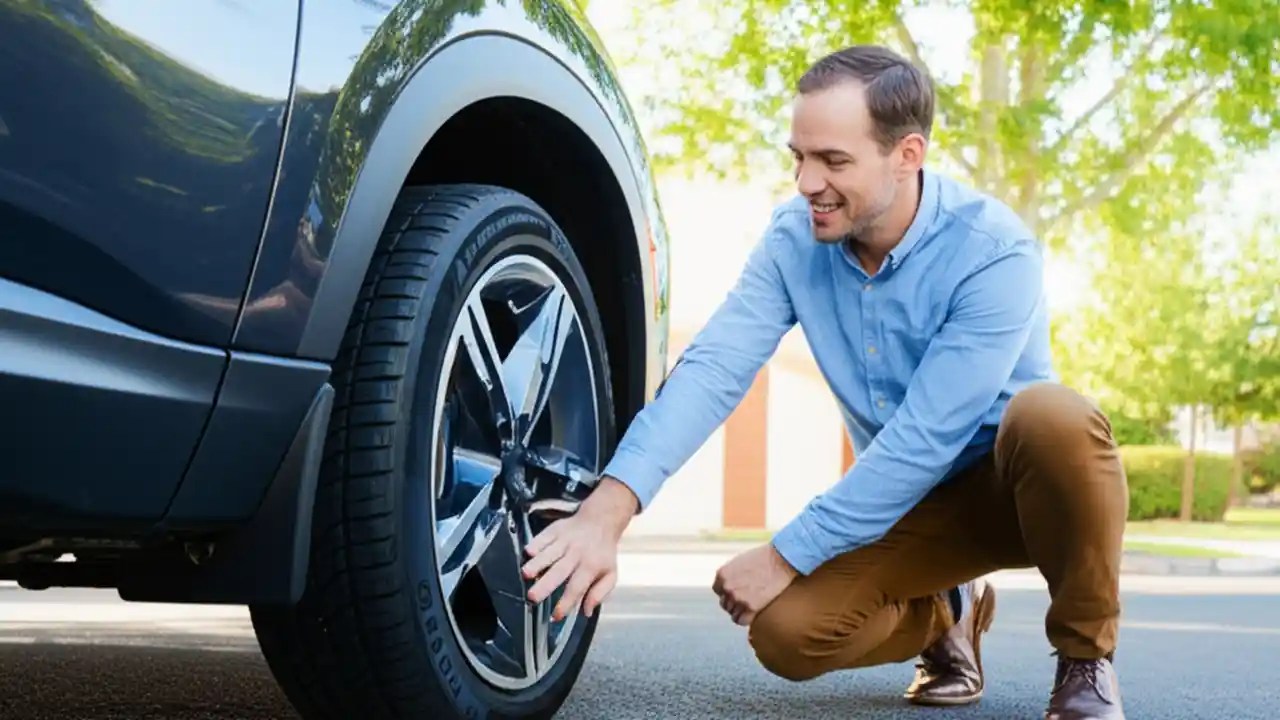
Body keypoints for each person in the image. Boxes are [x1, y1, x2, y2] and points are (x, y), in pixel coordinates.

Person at [520, 44, 1129, 719]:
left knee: (1055, 417)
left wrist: (784, 554)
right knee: (786, 634)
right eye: (799, 157)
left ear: (907, 155)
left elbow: (927, 438)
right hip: (906, 507)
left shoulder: (993, 252)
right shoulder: (793, 239)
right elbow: (715, 368)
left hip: (1017, 495)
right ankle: (944, 613)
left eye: (834, 161)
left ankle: (1084, 660)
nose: (808, 182)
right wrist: (608, 513)